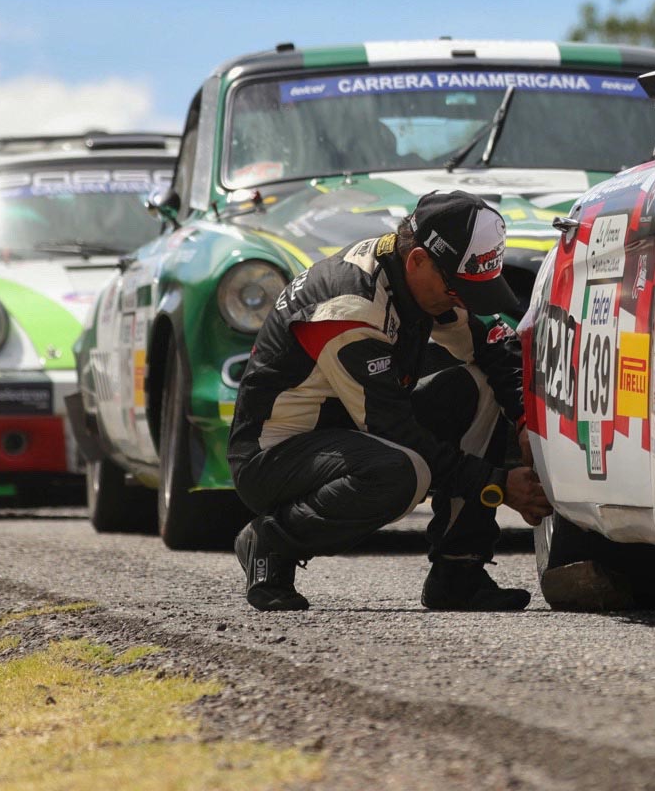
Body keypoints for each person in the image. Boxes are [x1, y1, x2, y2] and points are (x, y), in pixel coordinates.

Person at [227, 190, 551, 612]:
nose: (462, 303)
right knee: (402, 472)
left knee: (478, 386)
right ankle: (271, 541)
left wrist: (526, 421)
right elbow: (393, 429)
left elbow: (489, 349)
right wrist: (497, 484)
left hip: (348, 429)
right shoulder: (350, 306)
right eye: (457, 291)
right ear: (418, 261)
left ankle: (459, 573)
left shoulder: (416, 274)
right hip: (274, 457)